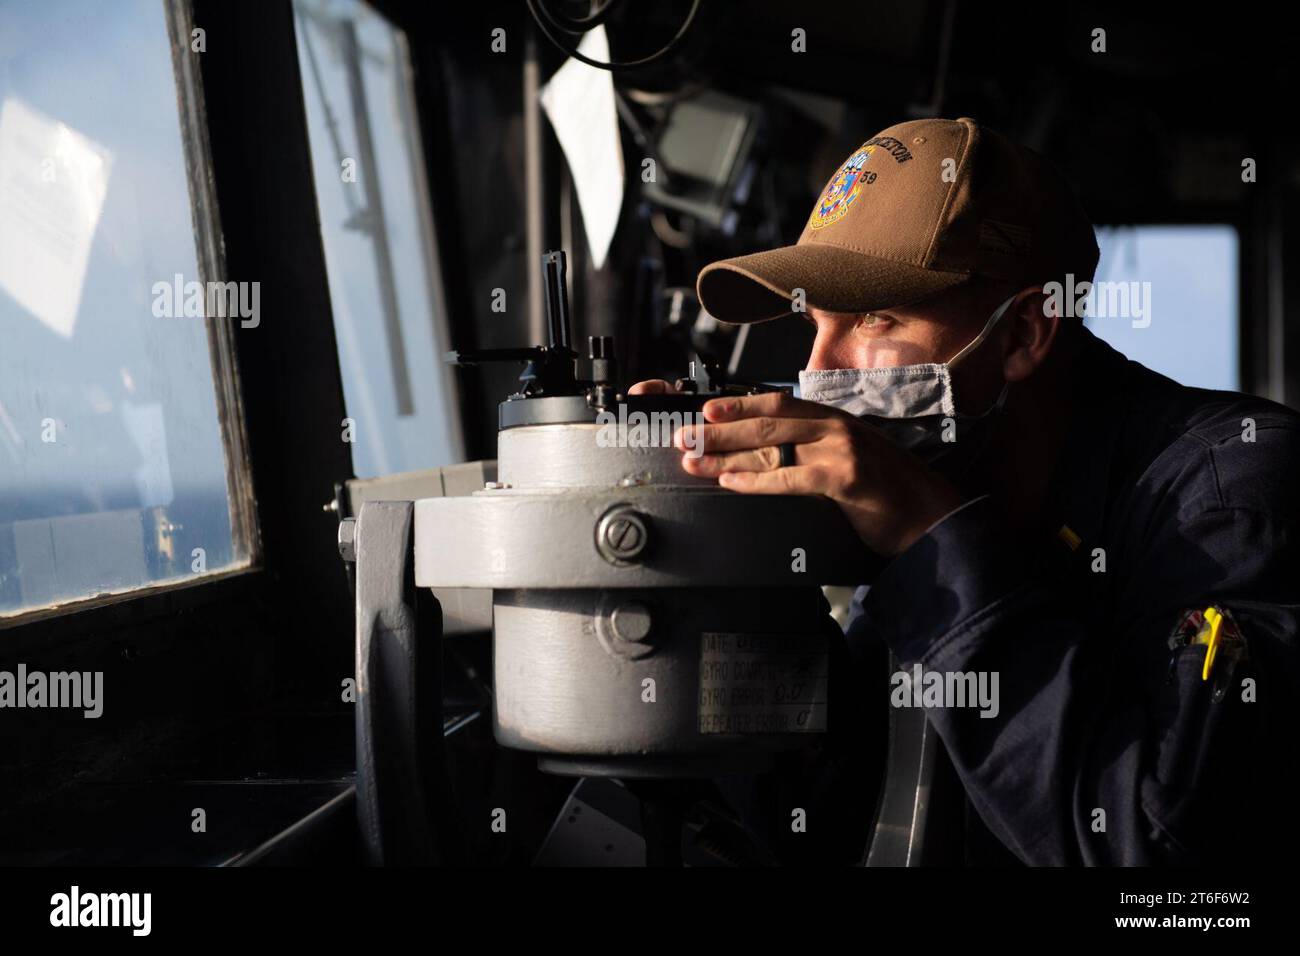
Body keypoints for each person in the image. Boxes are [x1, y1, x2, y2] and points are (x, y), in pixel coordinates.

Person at [633, 117, 1300, 865]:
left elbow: (1168, 862)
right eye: (813, 323)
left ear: (1024, 333)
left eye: (872, 317)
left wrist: (933, 541)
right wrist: (732, 570)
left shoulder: (1233, 495)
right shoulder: (947, 485)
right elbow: (824, 821)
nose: (819, 371)